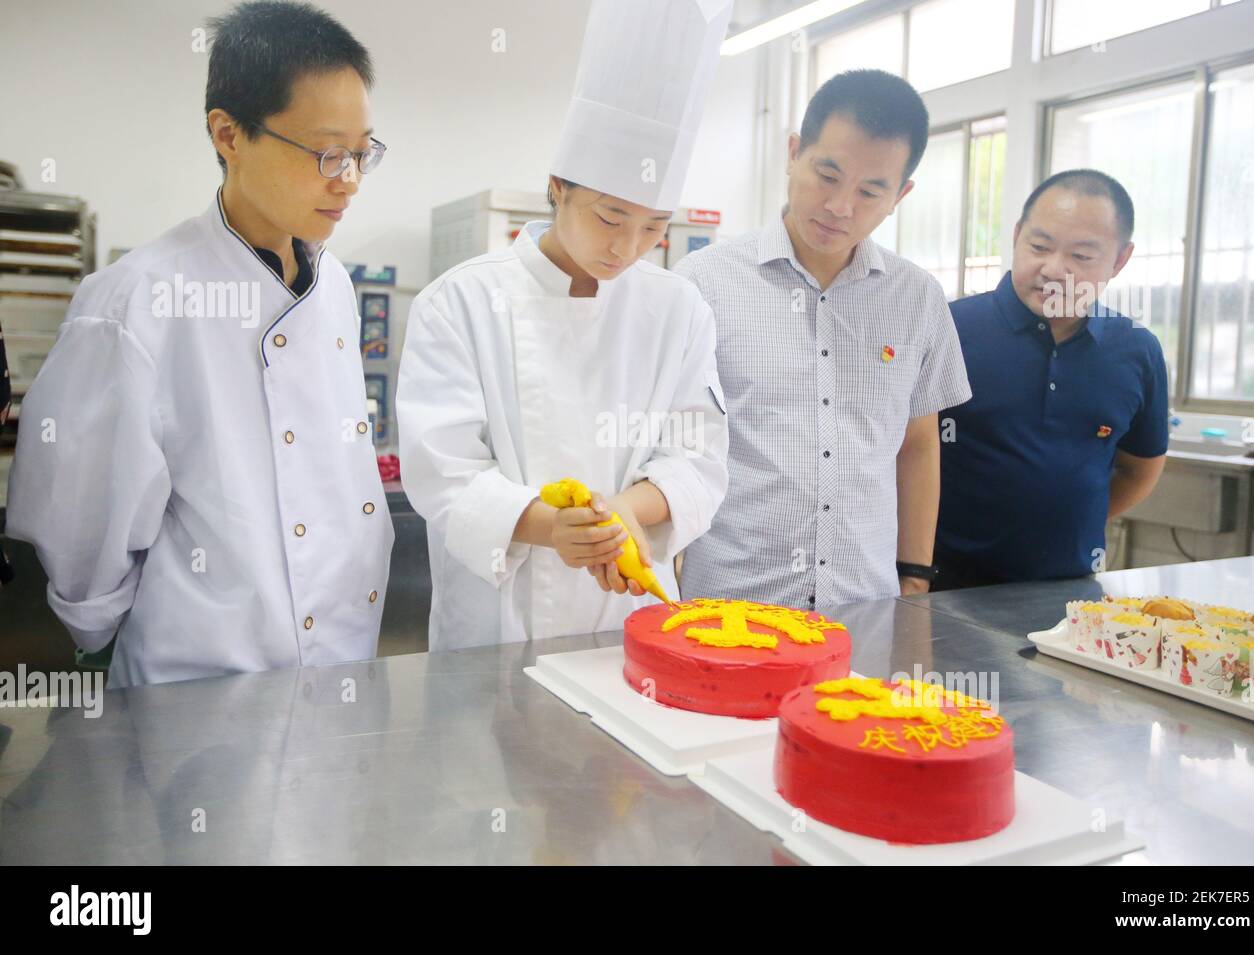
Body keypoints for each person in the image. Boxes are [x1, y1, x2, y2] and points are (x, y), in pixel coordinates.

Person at [5, 0, 393, 686]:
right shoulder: (136, 299)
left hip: (343, 667)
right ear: (229, 134)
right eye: (328, 152)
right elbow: (83, 527)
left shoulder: (334, 285)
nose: (350, 179)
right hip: (194, 688)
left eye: (362, 153)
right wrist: (99, 633)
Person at [397, 0, 731, 650]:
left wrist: (627, 515)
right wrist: (553, 528)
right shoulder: (459, 301)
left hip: (629, 618)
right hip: (496, 631)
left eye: (654, 228)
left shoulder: (677, 308)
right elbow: (443, 471)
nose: (627, 247)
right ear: (557, 186)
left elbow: (699, 454)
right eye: (611, 217)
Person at [674, 69, 971, 610]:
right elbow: (672, 439)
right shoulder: (701, 283)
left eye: (870, 191)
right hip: (728, 602)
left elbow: (920, 444)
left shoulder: (918, 298)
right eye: (826, 175)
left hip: (864, 603)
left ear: (900, 194)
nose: (840, 206)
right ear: (793, 153)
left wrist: (915, 574)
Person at [934, 169, 1168, 589]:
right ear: (1017, 235)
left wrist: (1067, 522)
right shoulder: (947, 328)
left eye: (1081, 257)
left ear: (1120, 260)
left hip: (1071, 594)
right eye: (1039, 246)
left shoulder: (1136, 350)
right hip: (942, 590)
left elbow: (1139, 470)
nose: (1054, 269)